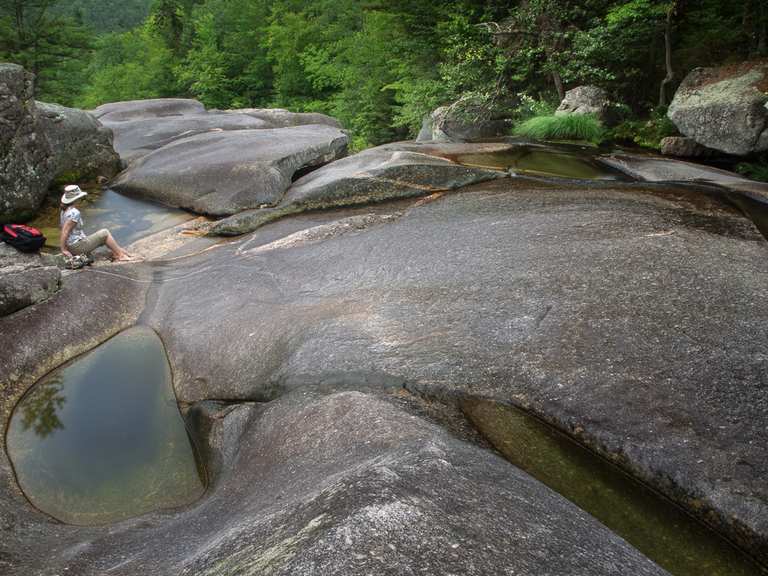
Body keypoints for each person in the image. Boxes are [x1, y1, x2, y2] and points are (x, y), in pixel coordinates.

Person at [59, 185, 138, 262]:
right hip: (76, 247)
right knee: (105, 233)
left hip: (73, 245)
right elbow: (65, 231)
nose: (81, 199)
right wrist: (63, 250)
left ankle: (119, 252)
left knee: (102, 237)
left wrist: (65, 247)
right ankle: (121, 256)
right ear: (76, 199)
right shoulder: (74, 213)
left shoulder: (64, 210)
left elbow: (65, 229)